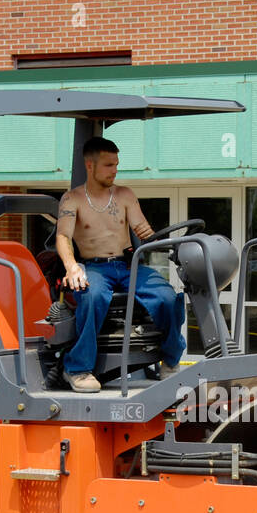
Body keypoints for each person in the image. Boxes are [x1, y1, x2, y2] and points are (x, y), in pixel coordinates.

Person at [56, 136, 185, 393]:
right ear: (89, 165)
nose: (115, 170)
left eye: (116, 164)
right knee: (92, 296)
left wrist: (173, 245)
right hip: (94, 267)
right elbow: (63, 237)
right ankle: (78, 369)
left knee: (167, 297)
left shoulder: (125, 195)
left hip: (128, 266)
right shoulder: (73, 200)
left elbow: (144, 231)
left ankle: (170, 361)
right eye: (108, 165)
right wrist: (72, 267)